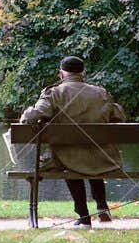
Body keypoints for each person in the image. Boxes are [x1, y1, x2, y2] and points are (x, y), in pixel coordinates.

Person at [20, 56, 124, 226]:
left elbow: (30, 118)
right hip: (102, 157)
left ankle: (83, 215)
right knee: (90, 156)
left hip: (66, 157)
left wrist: (27, 113)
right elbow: (119, 116)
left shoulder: (54, 93)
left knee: (68, 159)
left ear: (61, 74)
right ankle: (101, 206)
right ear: (83, 73)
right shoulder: (101, 93)